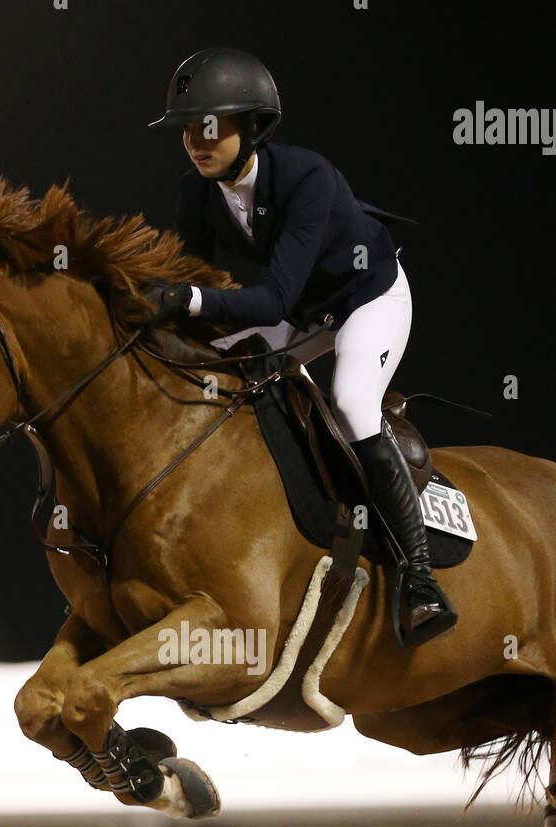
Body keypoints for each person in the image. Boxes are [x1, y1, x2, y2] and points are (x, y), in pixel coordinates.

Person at [147, 48, 456, 646]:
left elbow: (271, 299)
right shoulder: (197, 192)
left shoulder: (307, 177)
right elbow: (193, 280)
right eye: (188, 129)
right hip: (310, 311)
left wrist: (184, 299)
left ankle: (421, 583)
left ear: (253, 125)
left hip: (369, 299)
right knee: (222, 368)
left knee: (352, 401)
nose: (195, 141)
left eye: (210, 126)